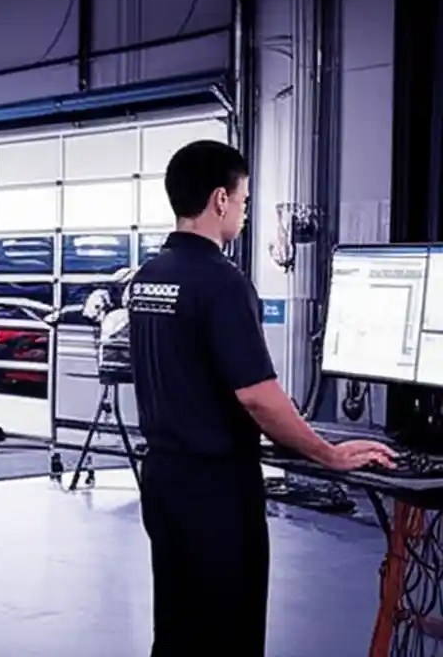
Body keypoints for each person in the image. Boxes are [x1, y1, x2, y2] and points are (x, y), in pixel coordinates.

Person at [126, 140, 398, 657]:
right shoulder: (222, 283)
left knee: (179, 631)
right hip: (217, 493)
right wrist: (329, 452)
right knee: (228, 636)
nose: (246, 213)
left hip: (163, 482)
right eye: (245, 199)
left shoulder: (149, 278)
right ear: (219, 200)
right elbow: (257, 398)